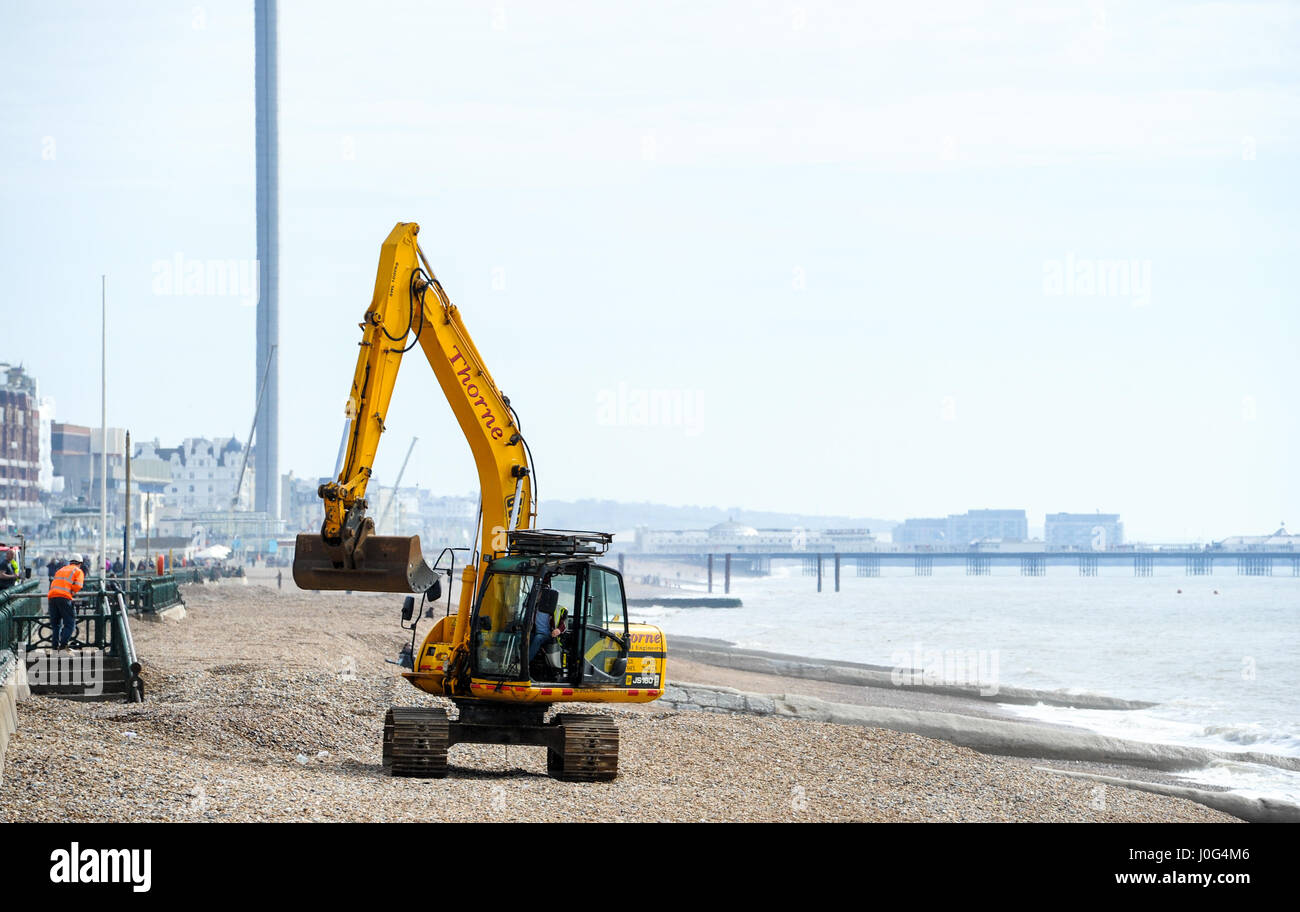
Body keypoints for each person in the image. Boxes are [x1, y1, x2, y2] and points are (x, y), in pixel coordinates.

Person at [47, 556, 86, 650]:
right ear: (80, 563)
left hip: (52, 597)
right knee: (70, 623)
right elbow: (78, 585)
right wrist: (72, 592)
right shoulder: (78, 571)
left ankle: (54, 646)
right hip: (64, 597)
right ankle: (63, 645)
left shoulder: (61, 569)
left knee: (56, 624)